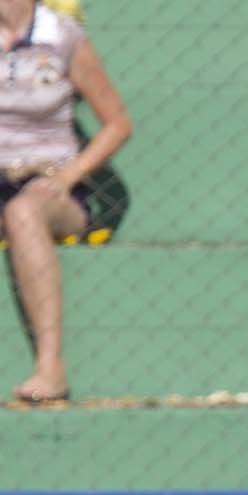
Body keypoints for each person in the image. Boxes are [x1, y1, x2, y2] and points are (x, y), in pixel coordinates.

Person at [0, 0, 130, 403]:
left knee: (23, 211)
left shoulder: (61, 36)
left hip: (50, 184)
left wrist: (67, 176)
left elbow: (118, 123)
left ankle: (51, 367)